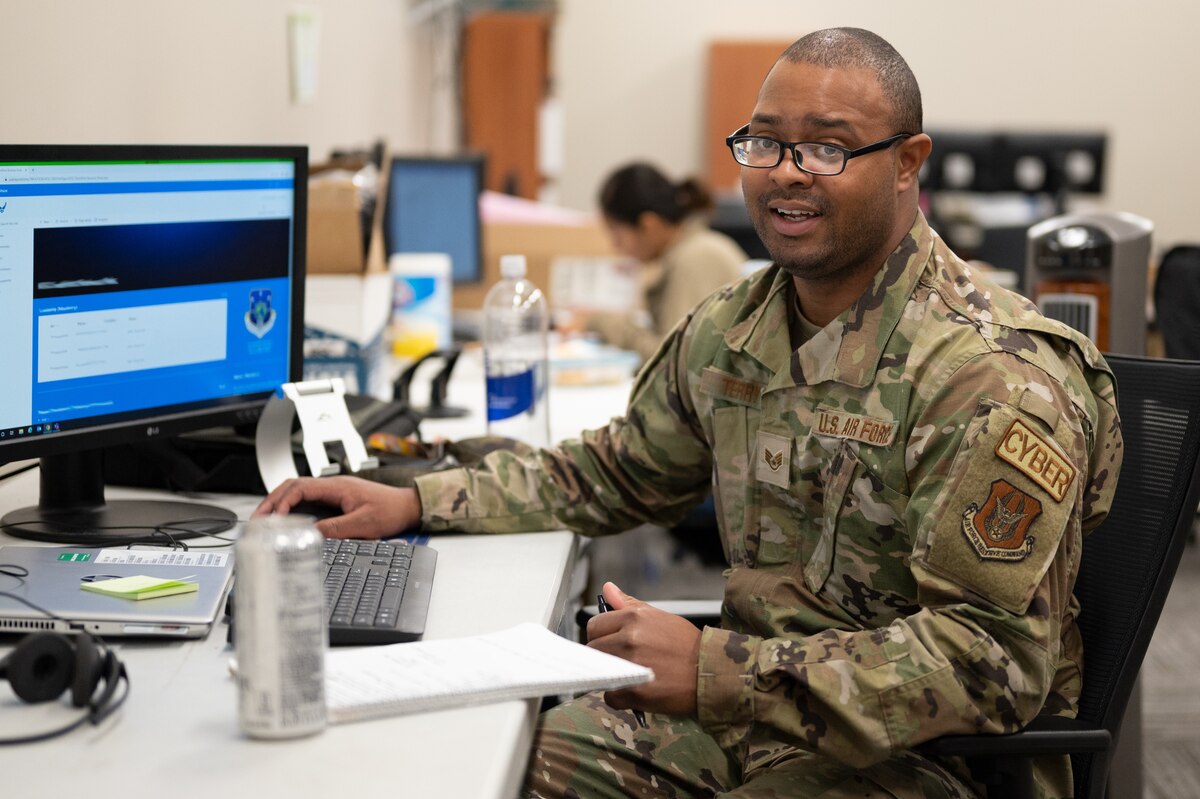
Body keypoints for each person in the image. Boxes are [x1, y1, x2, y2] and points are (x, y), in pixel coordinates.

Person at [256, 27, 1122, 799]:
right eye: (765, 143)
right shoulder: (736, 325)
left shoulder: (991, 375)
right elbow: (615, 471)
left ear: (907, 163)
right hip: (752, 723)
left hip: (929, 760)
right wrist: (417, 500)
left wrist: (718, 668)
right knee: (510, 757)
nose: (786, 171)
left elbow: (992, 664)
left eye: (827, 149)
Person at [580, 162, 747, 362]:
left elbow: (674, 358)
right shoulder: (689, 251)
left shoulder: (695, 258)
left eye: (617, 235)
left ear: (648, 224)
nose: (616, 247)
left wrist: (599, 322)